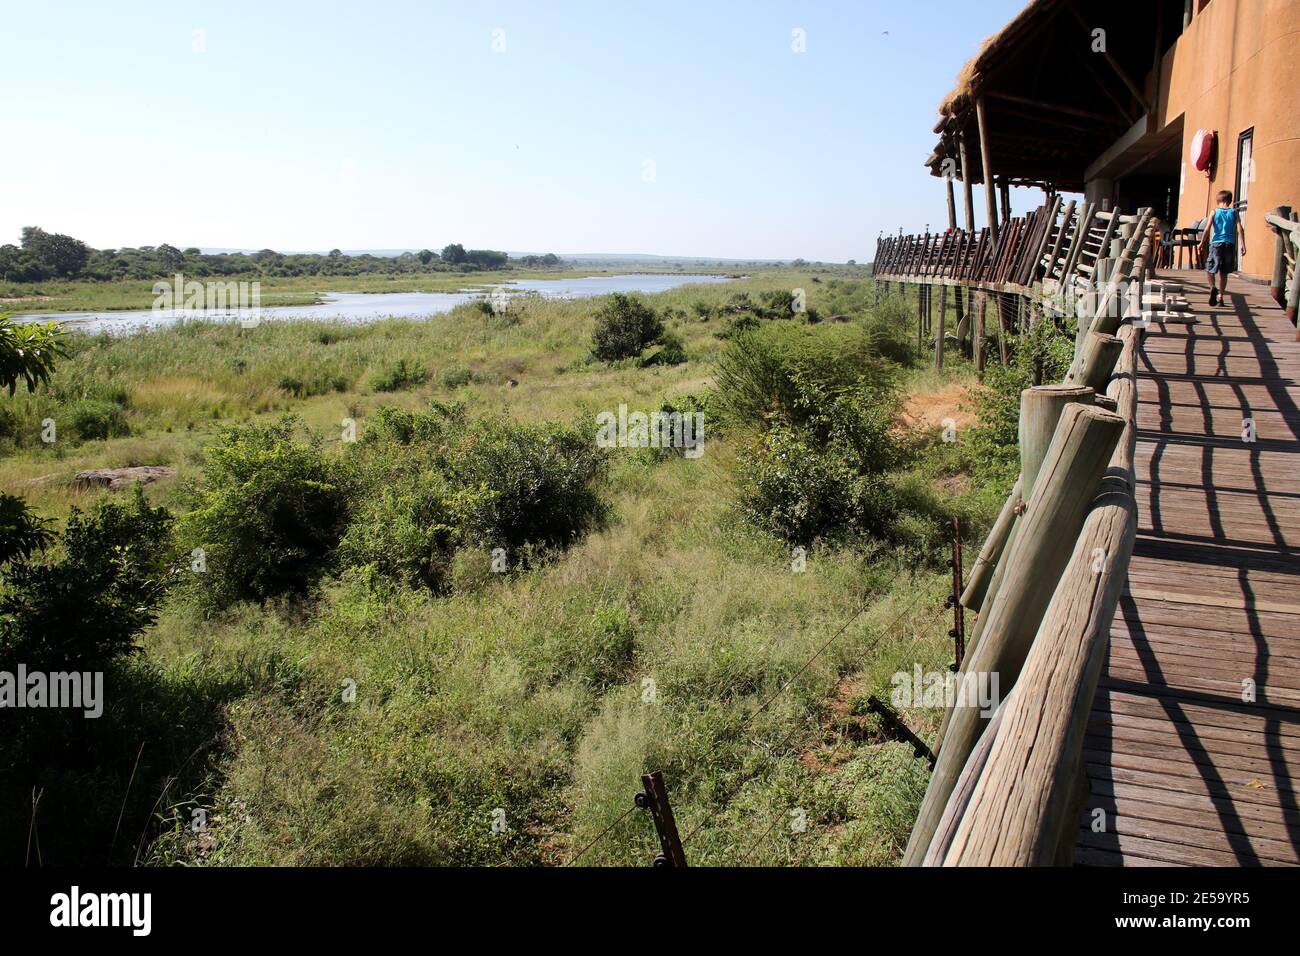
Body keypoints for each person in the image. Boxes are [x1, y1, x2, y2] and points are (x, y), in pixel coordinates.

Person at [1201, 190, 1247, 306]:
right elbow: (1240, 229)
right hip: (1229, 244)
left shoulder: (1214, 212)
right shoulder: (1234, 212)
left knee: (1210, 269)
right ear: (1229, 201)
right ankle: (1220, 296)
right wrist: (1243, 245)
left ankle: (1212, 287)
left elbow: (1207, 229)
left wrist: (1202, 242)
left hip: (1216, 244)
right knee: (1224, 272)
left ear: (1220, 201)